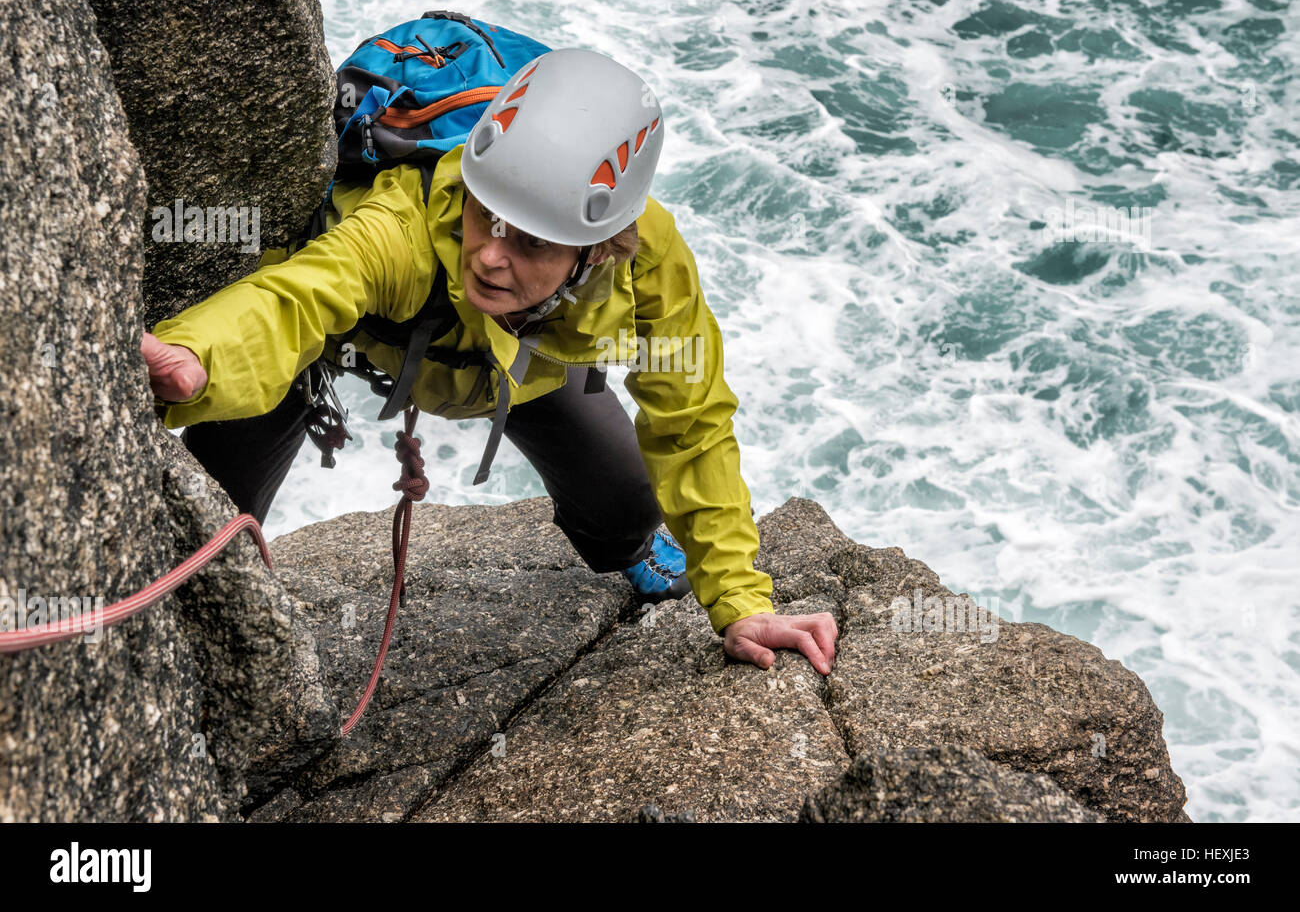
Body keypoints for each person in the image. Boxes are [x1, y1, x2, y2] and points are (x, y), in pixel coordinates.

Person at [141, 47, 837, 675]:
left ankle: (632, 551)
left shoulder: (645, 269)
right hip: (332, 340)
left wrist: (740, 601)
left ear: (596, 250)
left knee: (629, 504)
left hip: (518, 364)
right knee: (205, 543)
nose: (491, 255)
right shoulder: (405, 228)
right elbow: (295, 300)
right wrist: (194, 358)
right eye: (485, 216)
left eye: (532, 243)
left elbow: (692, 422)